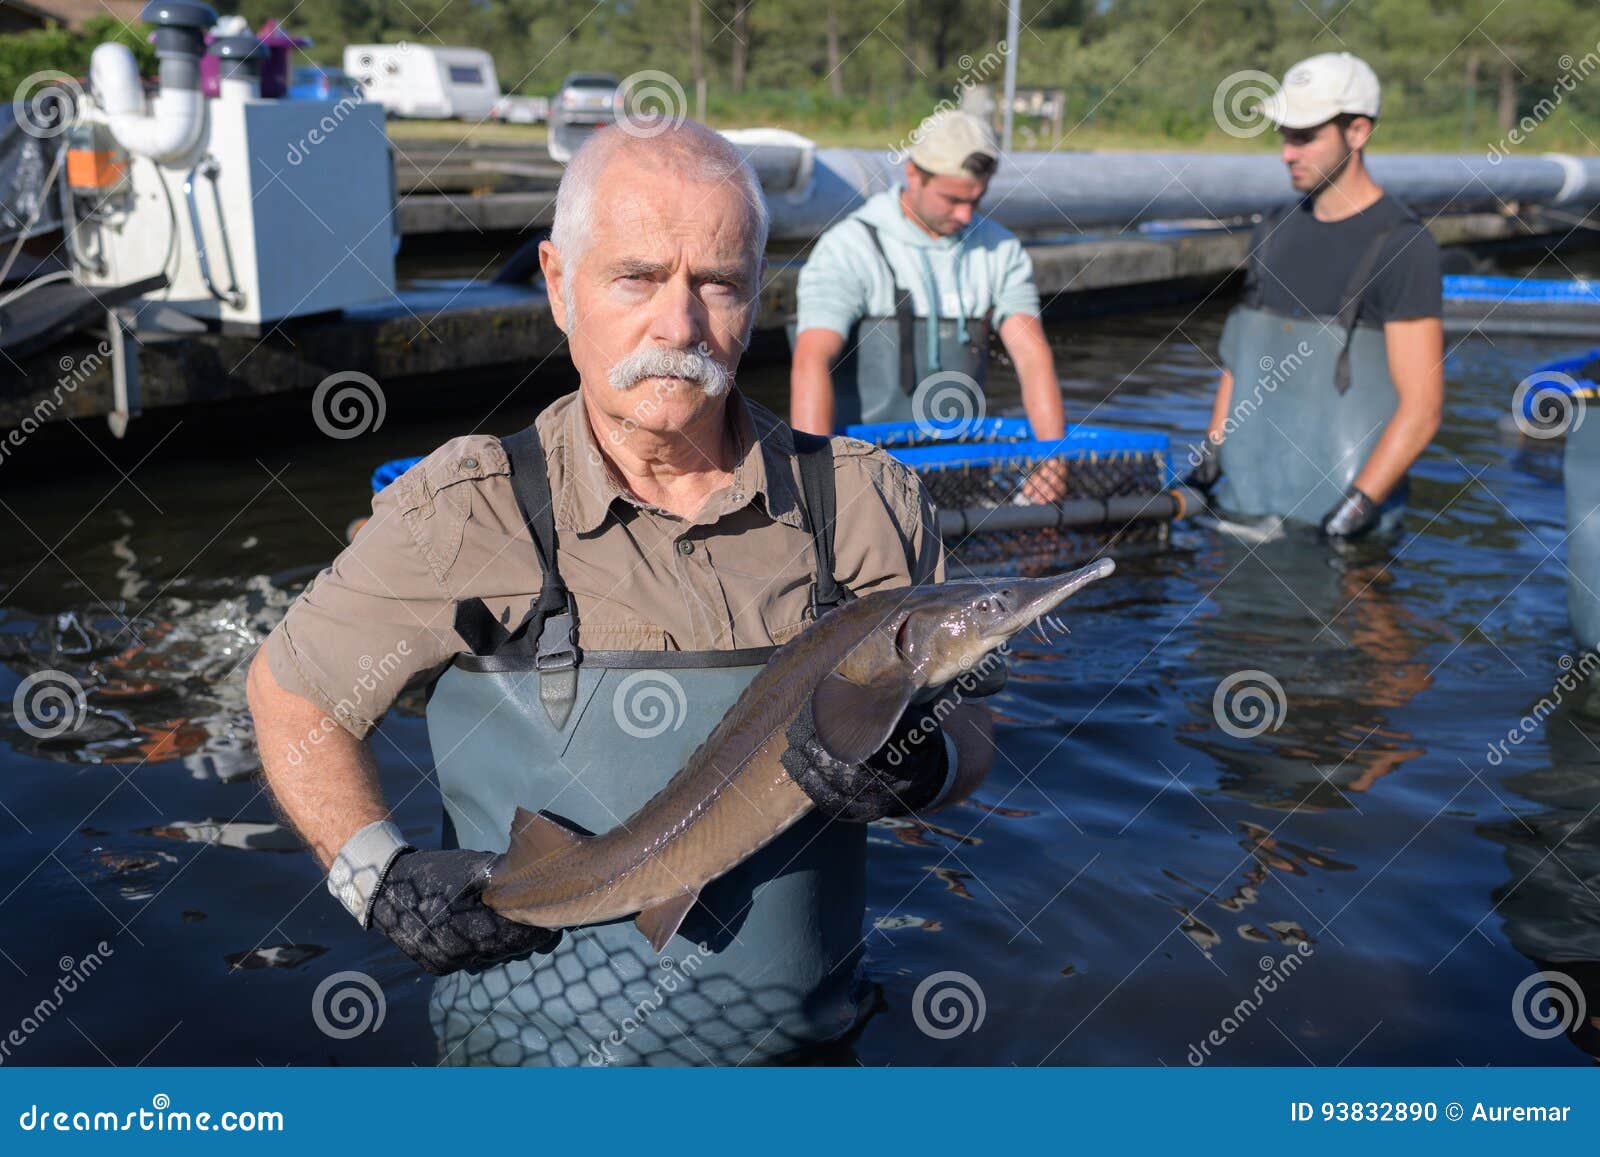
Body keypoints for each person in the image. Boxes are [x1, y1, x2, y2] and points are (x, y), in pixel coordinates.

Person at [246, 118, 1002, 1067]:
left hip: (797, 1069)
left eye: (717, 284)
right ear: (560, 285)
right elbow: (289, 693)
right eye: (637, 277)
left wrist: (925, 766)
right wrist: (378, 877)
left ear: (756, 297)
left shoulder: (861, 500)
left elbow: (971, 729)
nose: (679, 326)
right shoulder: (465, 507)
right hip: (522, 1072)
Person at [1188, 52, 1444, 538]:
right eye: (1285, 135)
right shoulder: (1272, 230)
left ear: (1359, 132)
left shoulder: (1404, 247)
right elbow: (1239, 363)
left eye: (1304, 137)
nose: (1287, 152)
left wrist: (1353, 513)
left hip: (1338, 530)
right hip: (1245, 508)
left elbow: (1422, 408)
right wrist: (1210, 458)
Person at [790, 109, 1069, 502]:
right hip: (866, 475)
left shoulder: (1000, 249)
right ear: (913, 174)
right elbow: (811, 362)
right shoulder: (848, 248)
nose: (965, 214)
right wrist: (815, 485)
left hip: (960, 473)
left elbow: (1031, 356)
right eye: (952, 199)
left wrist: (1051, 463)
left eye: (976, 199)